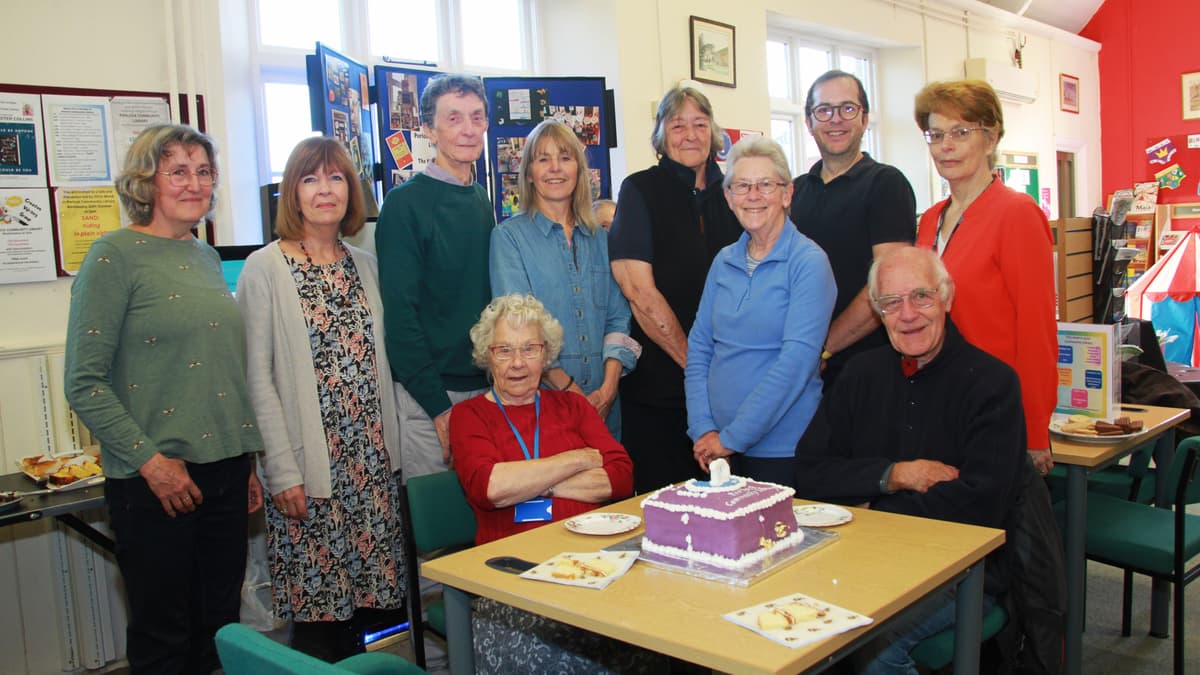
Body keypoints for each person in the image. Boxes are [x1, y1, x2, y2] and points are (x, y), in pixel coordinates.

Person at [64, 124, 264, 674]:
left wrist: (245, 459)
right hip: (155, 482)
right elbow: (83, 381)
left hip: (224, 475)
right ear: (144, 181)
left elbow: (222, 372)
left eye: (203, 171)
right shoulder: (114, 257)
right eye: (177, 170)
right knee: (163, 641)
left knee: (220, 632)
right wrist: (152, 463)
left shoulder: (204, 257)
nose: (194, 183)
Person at [794, 247, 1025, 674]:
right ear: (878, 313)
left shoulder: (993, 384)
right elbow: (809, 471)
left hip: (961, 575)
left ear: (947, 297)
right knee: (783, 627)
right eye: (891, 303)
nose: (908, 315)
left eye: (921, 296)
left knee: (871, 646)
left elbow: (980, 507)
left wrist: (870, 508)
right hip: (855, 560)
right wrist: (893, 475)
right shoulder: (859, 375)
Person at [238, 138, 406, 662]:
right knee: (320, 622)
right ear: (293, 192)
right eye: (310, 179)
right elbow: (256, 379)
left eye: (336, 178)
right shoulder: (264, 269)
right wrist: (280, 470)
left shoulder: (366, 265)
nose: (325, 190)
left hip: (373, 470)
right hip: (310, 477)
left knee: (378, 618)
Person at [451, 294, 658, 674]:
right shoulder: (469, 417)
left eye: (530, 349)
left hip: (593, 564)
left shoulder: (573, 407)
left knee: (657, 630)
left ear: (546, 354)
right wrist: (576, 459)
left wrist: (529, 480)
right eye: (504, 350)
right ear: (487, 355)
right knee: (565, 655)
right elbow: (491, 488)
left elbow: (620, 477)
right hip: (513, 577)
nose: (517, 363)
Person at [913, 79, 1057, 476]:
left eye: (961, 132)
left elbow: (1037, 327)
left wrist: (1034, 430)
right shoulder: (930, 219)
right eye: (936, 134)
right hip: (936, 402)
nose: (946, 145)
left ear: (991, 138)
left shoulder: (1017, 214)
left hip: (995, 406)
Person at [608, 86, 744, 493]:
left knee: (732, 507)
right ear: (661, 135)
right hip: (660, 388)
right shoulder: (640, 191)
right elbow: (639, 291)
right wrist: (695, 367)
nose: (690, 134)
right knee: (666, 509)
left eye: (700, 124)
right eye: (678, 124)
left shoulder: (735, 192)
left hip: (733, 387)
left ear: (714, 131)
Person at [686, 137, 835, 485]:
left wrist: (731, 438)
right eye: (742, 185)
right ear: (728, 197)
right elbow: (700, 351)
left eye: (766, 184)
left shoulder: (809, 263)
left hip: (783, 452)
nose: (753, 195)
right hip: (716, 449)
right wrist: (703, 428)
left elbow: (795, 364)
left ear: (787, 194)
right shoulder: (723, 262)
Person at [375, 73, 494, 480]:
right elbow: (401, 319)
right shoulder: (405, 204)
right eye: (454, 118)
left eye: (476, 117)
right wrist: (439, 408)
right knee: (440, 533)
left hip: (485, 387)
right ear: (428, 129)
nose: (468, 129)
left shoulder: (480, 198)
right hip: (431, 395)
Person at [490, 120, 639, 439]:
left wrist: (609, 387)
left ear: (579, 170)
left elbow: (618, 317)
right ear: (529, 173)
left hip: (605, 408)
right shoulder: (509, 239)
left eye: (565, 157)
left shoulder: (602, 240)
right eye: (543, 159)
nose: (555, 168)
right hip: (544, 407)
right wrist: (571, 391)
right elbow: (519, 330)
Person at [789, 70, 916, 388]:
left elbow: (886, 284)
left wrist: (825, 346)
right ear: (809, 122)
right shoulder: (795, 191)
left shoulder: (887, 184)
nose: (835, 120)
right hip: (803, 366)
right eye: (824, 110)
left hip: (866, 368)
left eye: (847, 108)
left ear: (864, 118)